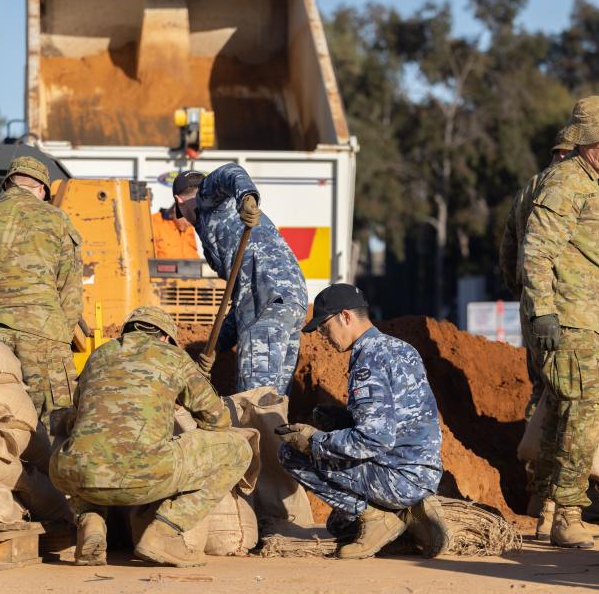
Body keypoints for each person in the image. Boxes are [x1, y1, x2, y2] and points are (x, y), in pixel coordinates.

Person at [49, 306, 251, 568]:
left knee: (90, 450)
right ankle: (165, 532)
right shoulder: (174, 357)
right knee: (239, 450)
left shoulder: (100, 355)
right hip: (144, 477)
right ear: (165, 337)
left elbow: (74, 421)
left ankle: (91, 521)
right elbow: (217, 420)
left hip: (70, 474)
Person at [521, 95, 599, 549]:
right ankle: (568, 513)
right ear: (583, 139)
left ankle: (548, 511)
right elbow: (535, 250)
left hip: (584, 317)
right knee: (582, 414)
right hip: (565, 319)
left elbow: (590, 257)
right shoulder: (567, 182)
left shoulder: (597, 182)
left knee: (563, 412)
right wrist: (543, 309)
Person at [275, 284, 445, 559]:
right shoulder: (399, 348)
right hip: (422, 471)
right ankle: (402, 516)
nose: (323, 336)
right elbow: (400, 419)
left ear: (345, 316)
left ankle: (378, 517)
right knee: (339, 524)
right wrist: (343, 419)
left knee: (290, 453)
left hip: (398, 479)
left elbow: (375, 438)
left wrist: (313, 442)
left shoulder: (368, 361)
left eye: (324, 327)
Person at [0, 154, 84, 423]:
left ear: (8, 185)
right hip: (45, 334)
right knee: (54, 424)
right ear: (41, 189)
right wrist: (59, 336)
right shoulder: (58, 219)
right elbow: (70, 289)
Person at [172, 164, 308, 394]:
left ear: (179, 201)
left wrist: (246, 196)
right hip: (290, 300)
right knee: (274, 398)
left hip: (264, 299)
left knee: (253, 398)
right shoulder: (215, 231)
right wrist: (216, 347)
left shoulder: (209, 199)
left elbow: (230, 171)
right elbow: (240, 298)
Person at [498, 132, 575, 418]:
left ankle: (532, 454)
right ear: (567, 155)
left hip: (530, 299)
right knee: (565, 386)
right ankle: (545, 457)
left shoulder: (527, 189)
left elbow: (507, 249)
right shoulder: (565, 188)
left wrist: (520, 291)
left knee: (540, 383)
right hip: (559, 302)